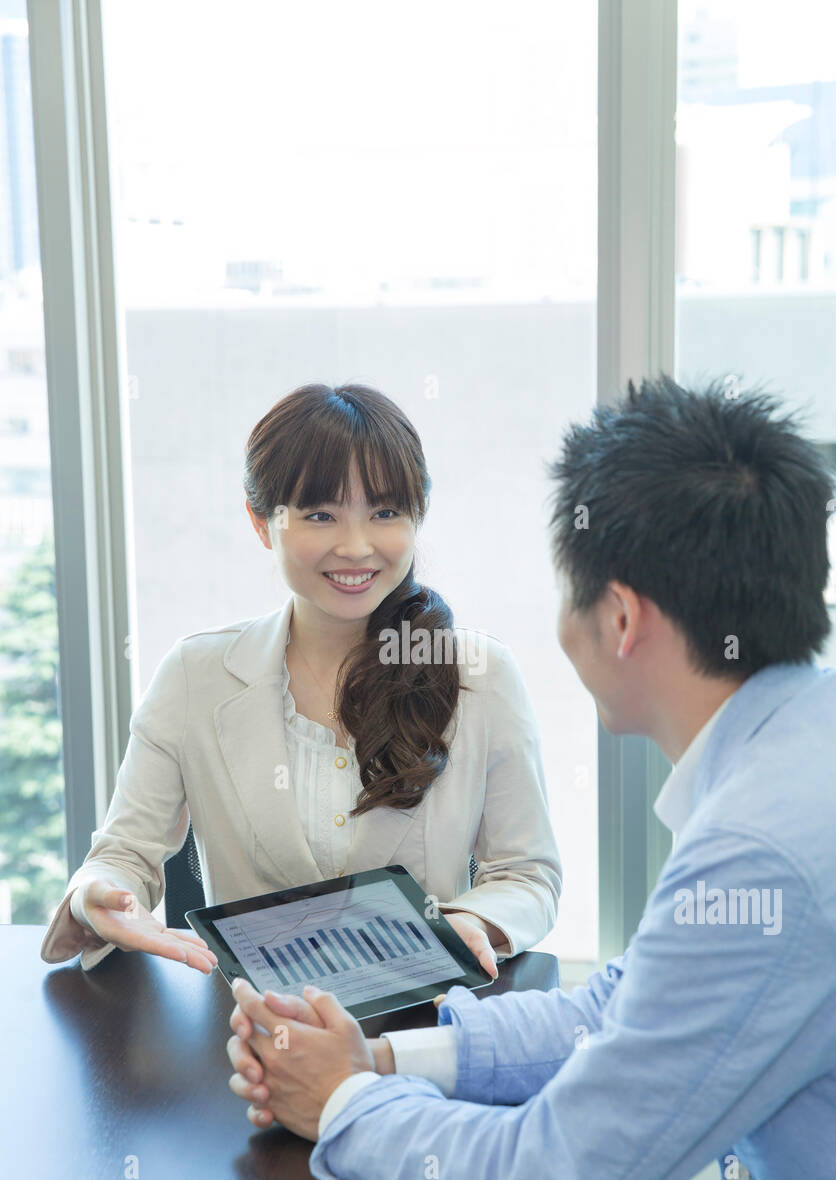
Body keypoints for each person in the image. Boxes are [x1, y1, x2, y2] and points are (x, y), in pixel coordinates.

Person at [226, 375, 836, 1180]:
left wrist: (344, 1103)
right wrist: (387, 1058)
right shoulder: (815, 740)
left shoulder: (762, 850)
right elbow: (623, 1005)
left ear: (620, 618)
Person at [41, 383, 561, 991]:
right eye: (321, 515)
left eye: (386, 513)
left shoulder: (479, 674)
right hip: (251, 1036)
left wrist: (471, 921)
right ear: (261, 522)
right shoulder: (195, 676)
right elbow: (122, 857)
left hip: (417, 1033)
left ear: (417, 518)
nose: (357, 546)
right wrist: (99, 895)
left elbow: (527, 875)